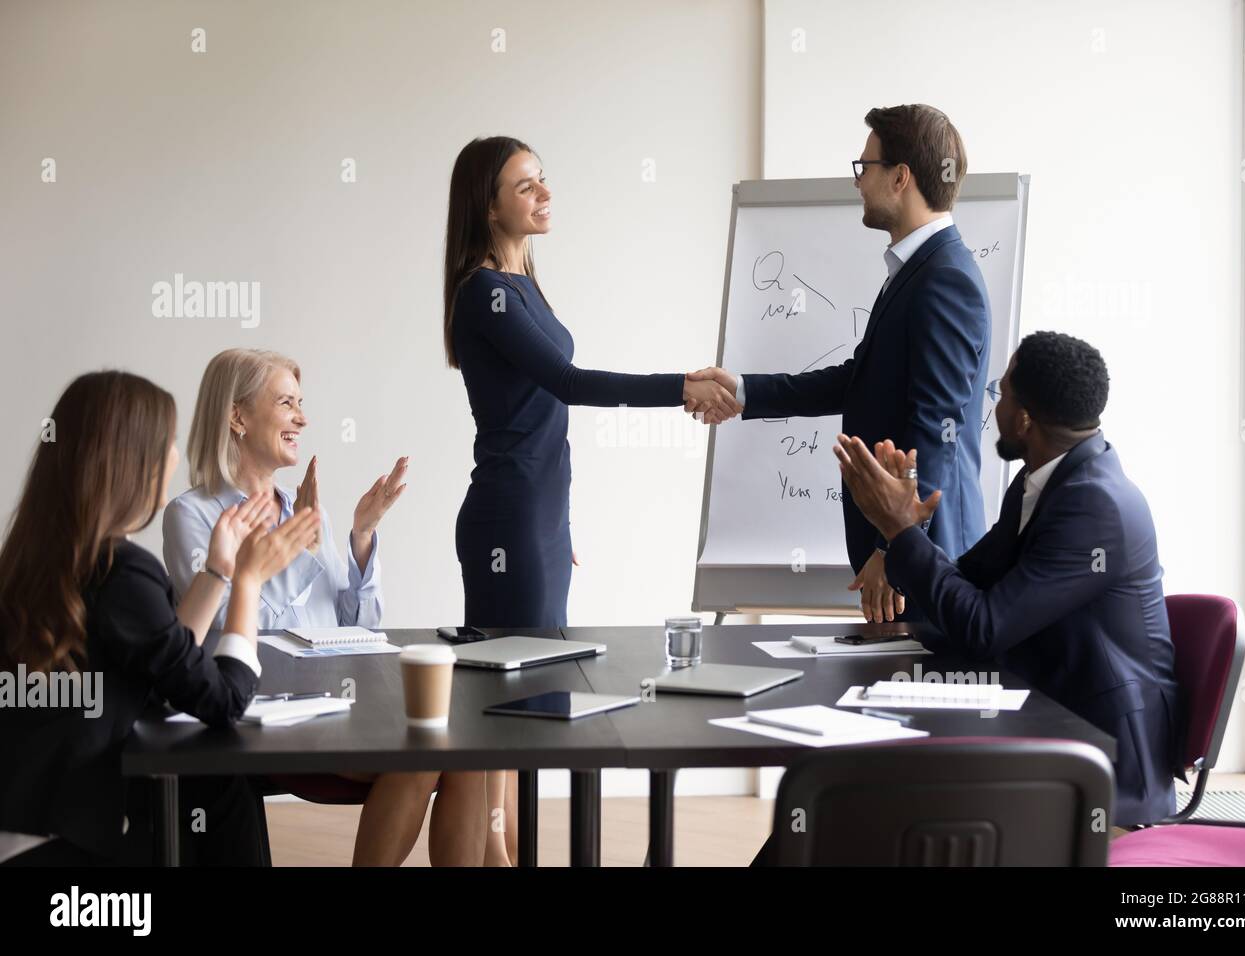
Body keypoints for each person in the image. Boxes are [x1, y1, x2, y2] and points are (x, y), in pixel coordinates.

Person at [443, 135, 739, 860]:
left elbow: (550, 423)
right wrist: (681, 388)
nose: (544, 194)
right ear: (487, 206)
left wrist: (558, 519)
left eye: (544, 180)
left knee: (515, 712)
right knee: (497, 715)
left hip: (535, 518)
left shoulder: (523, 282)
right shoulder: (485, 292)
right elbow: (569, 387)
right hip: (506, 517)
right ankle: (494, 856)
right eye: (525, 186)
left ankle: (502, 857)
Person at [832, 331, 1184, 827]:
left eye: (1001, 392)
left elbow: (983, 627)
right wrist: (907, 529)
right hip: (1040, 719)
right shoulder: (1041, 481)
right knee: (854, 797)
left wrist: (900, 530)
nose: (992, 404)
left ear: (1022, 419)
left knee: (866, 801)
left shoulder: (1094, 505)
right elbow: (968, 587)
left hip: (1102, 767)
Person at [163, 349, 497, 866]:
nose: (303, 418)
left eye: (301, 403)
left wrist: (360, 535)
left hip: (342, 700)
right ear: (237, 417)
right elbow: (225, 640)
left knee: (464, 751)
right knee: (425, 755)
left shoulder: (300, 509)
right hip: (262, 713)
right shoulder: (192, 515)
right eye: (287, 403)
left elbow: (357, 631)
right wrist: (274, 563)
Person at [0, 370, 320, 865]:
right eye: (167, 443)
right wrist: (248, 582)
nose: (175, 457)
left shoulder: (32, 557)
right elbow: (224, 700)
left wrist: (218, 570)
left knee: (216, 789)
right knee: (222, 787)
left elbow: (166, 665)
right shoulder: (120, 569)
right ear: (131, 463)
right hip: (63, 845)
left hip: (22, 822)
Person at [690, 104, 991, 624]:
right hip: (911, 555)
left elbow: (933, 431)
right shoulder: (919, 268)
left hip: (927, 561)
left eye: (864, 167)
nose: (857, 182)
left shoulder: (944, 278)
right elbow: (862, 379)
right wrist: (744, 390)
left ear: (900, 177)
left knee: (923, 698)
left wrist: (894, 545)